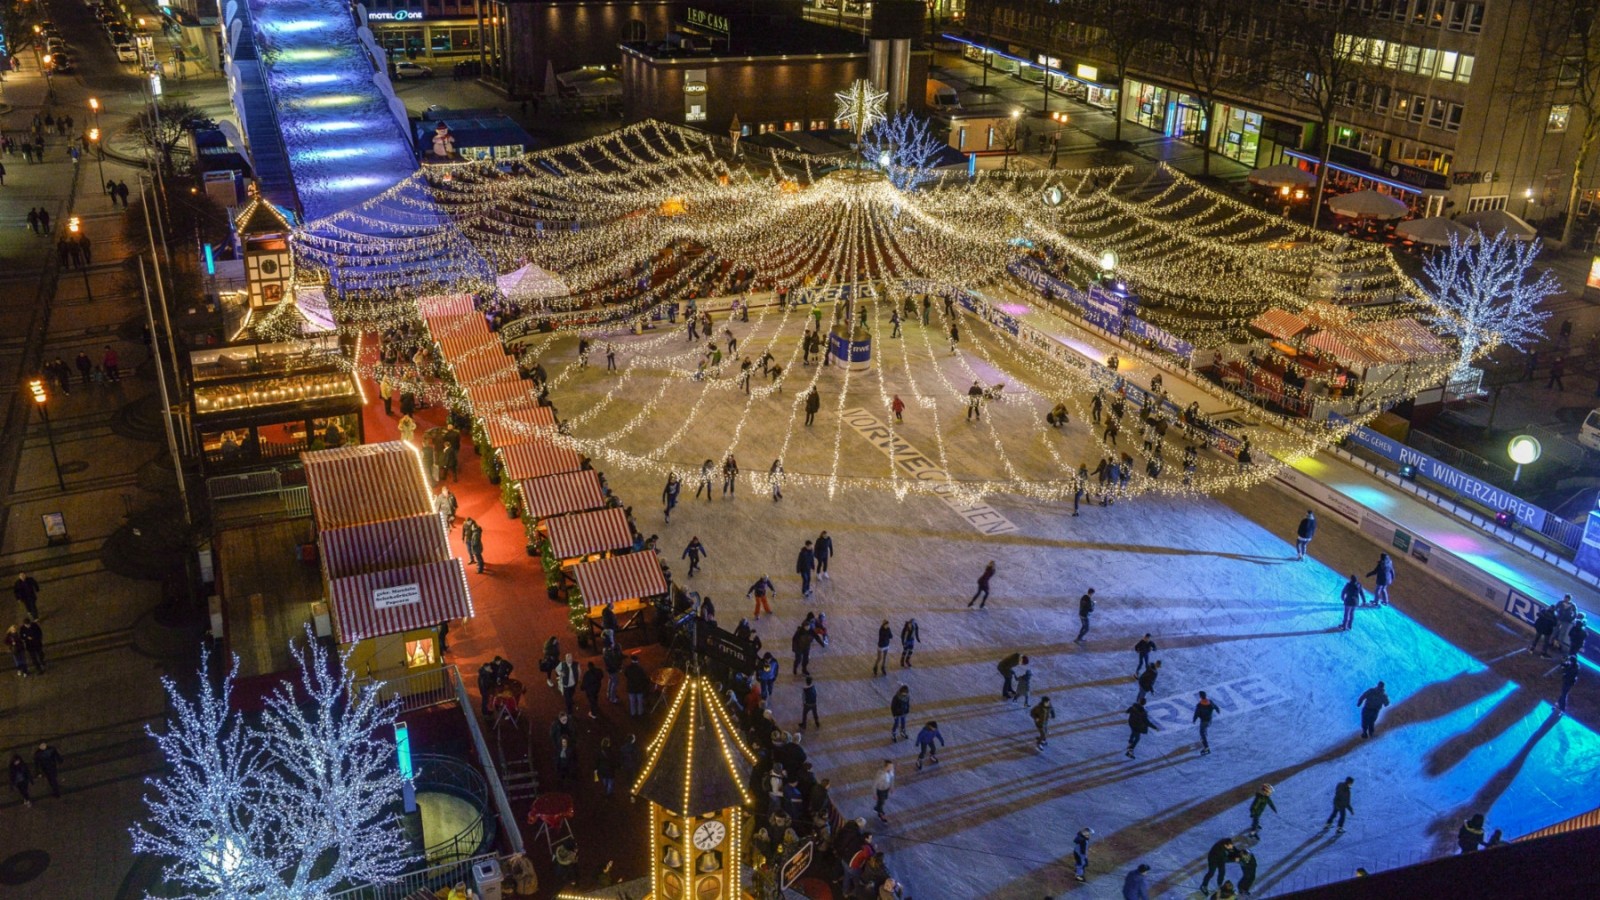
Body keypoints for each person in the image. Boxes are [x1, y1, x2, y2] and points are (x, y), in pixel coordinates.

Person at [624, 653, 650, 717]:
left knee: (632, 701)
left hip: (631, 687)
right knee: (639, 701)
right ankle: (640, 712)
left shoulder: (628, 668)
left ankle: (633, 712)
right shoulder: (640, 669)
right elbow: (644, 678)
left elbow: (626, 675)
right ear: (637, 660)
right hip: (639, 688)